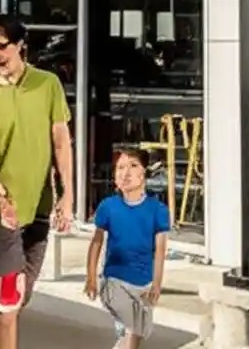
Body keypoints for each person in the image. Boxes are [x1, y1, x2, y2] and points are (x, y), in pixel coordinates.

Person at [0, 14, 75, 349]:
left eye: (1, 46)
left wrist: (67, 195)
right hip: (1, 216)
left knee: (17, 301)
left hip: (38, 211)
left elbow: (61, 142)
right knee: (10, 304)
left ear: (21, 45)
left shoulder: (47, 84)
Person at [84, 148, 170, 349]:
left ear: (144, 174)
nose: (125, 172)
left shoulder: (158, 210)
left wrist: (157, 284)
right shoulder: (108, 206)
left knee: (136, 335)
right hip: (114, 280)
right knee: (132, 328)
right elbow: (96, 243)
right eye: (120, 167)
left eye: (133, 166)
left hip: (144, 283)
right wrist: (91, 277)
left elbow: (160, 250)